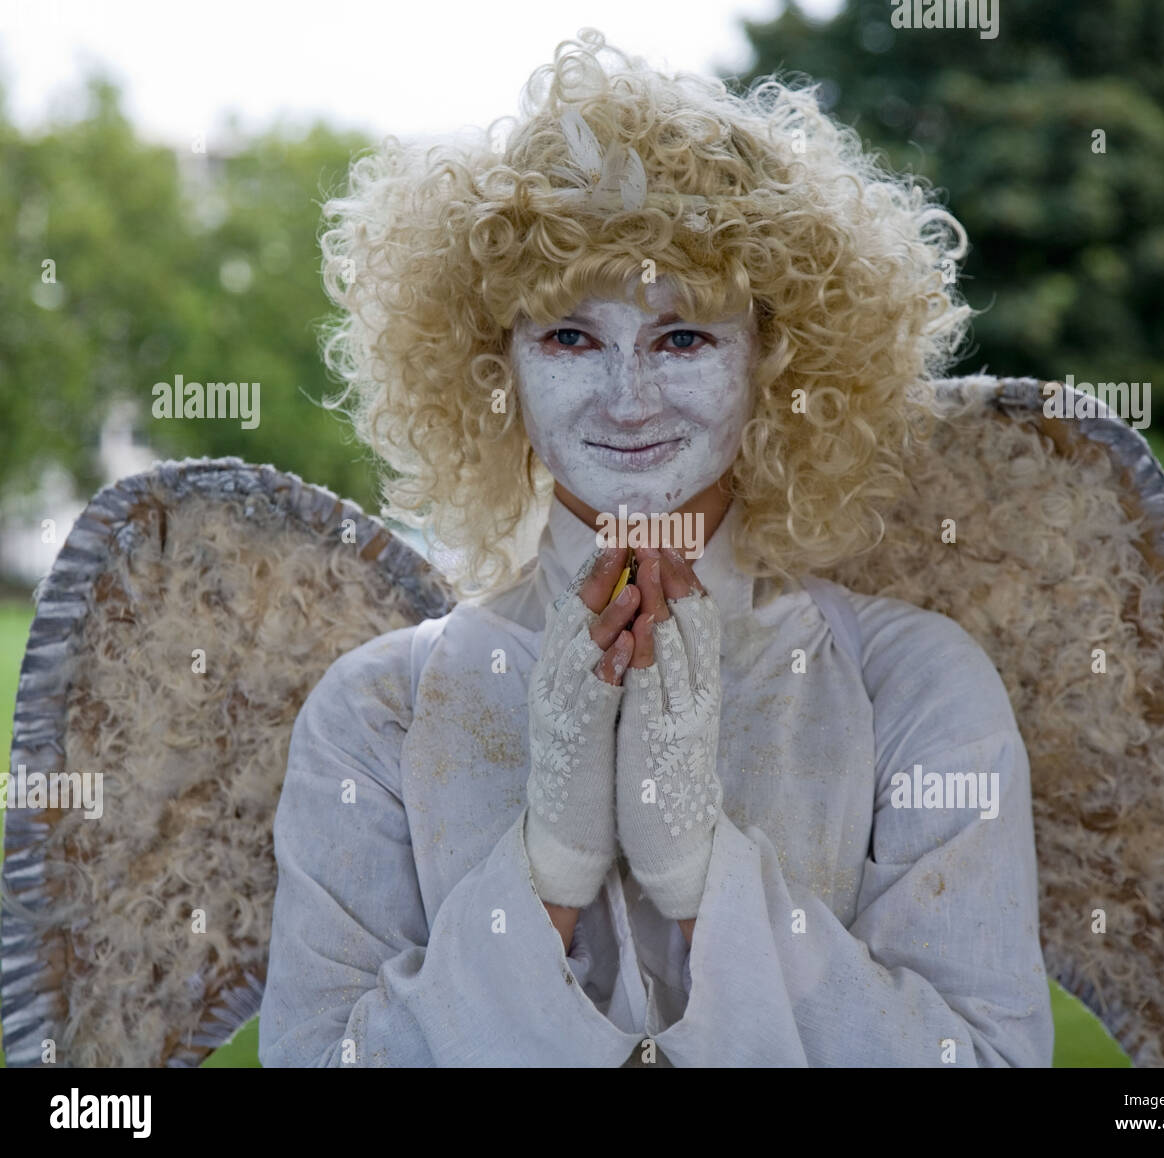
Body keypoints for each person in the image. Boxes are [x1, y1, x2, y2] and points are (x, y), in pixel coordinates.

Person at [257, 28, 1054, 1067]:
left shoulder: (915, 687)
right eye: (570, 337)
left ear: (774, 359)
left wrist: (703, 880)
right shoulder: (374, 714)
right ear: (494, 366)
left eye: (682, 337)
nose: (628, 399)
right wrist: (545, 871)